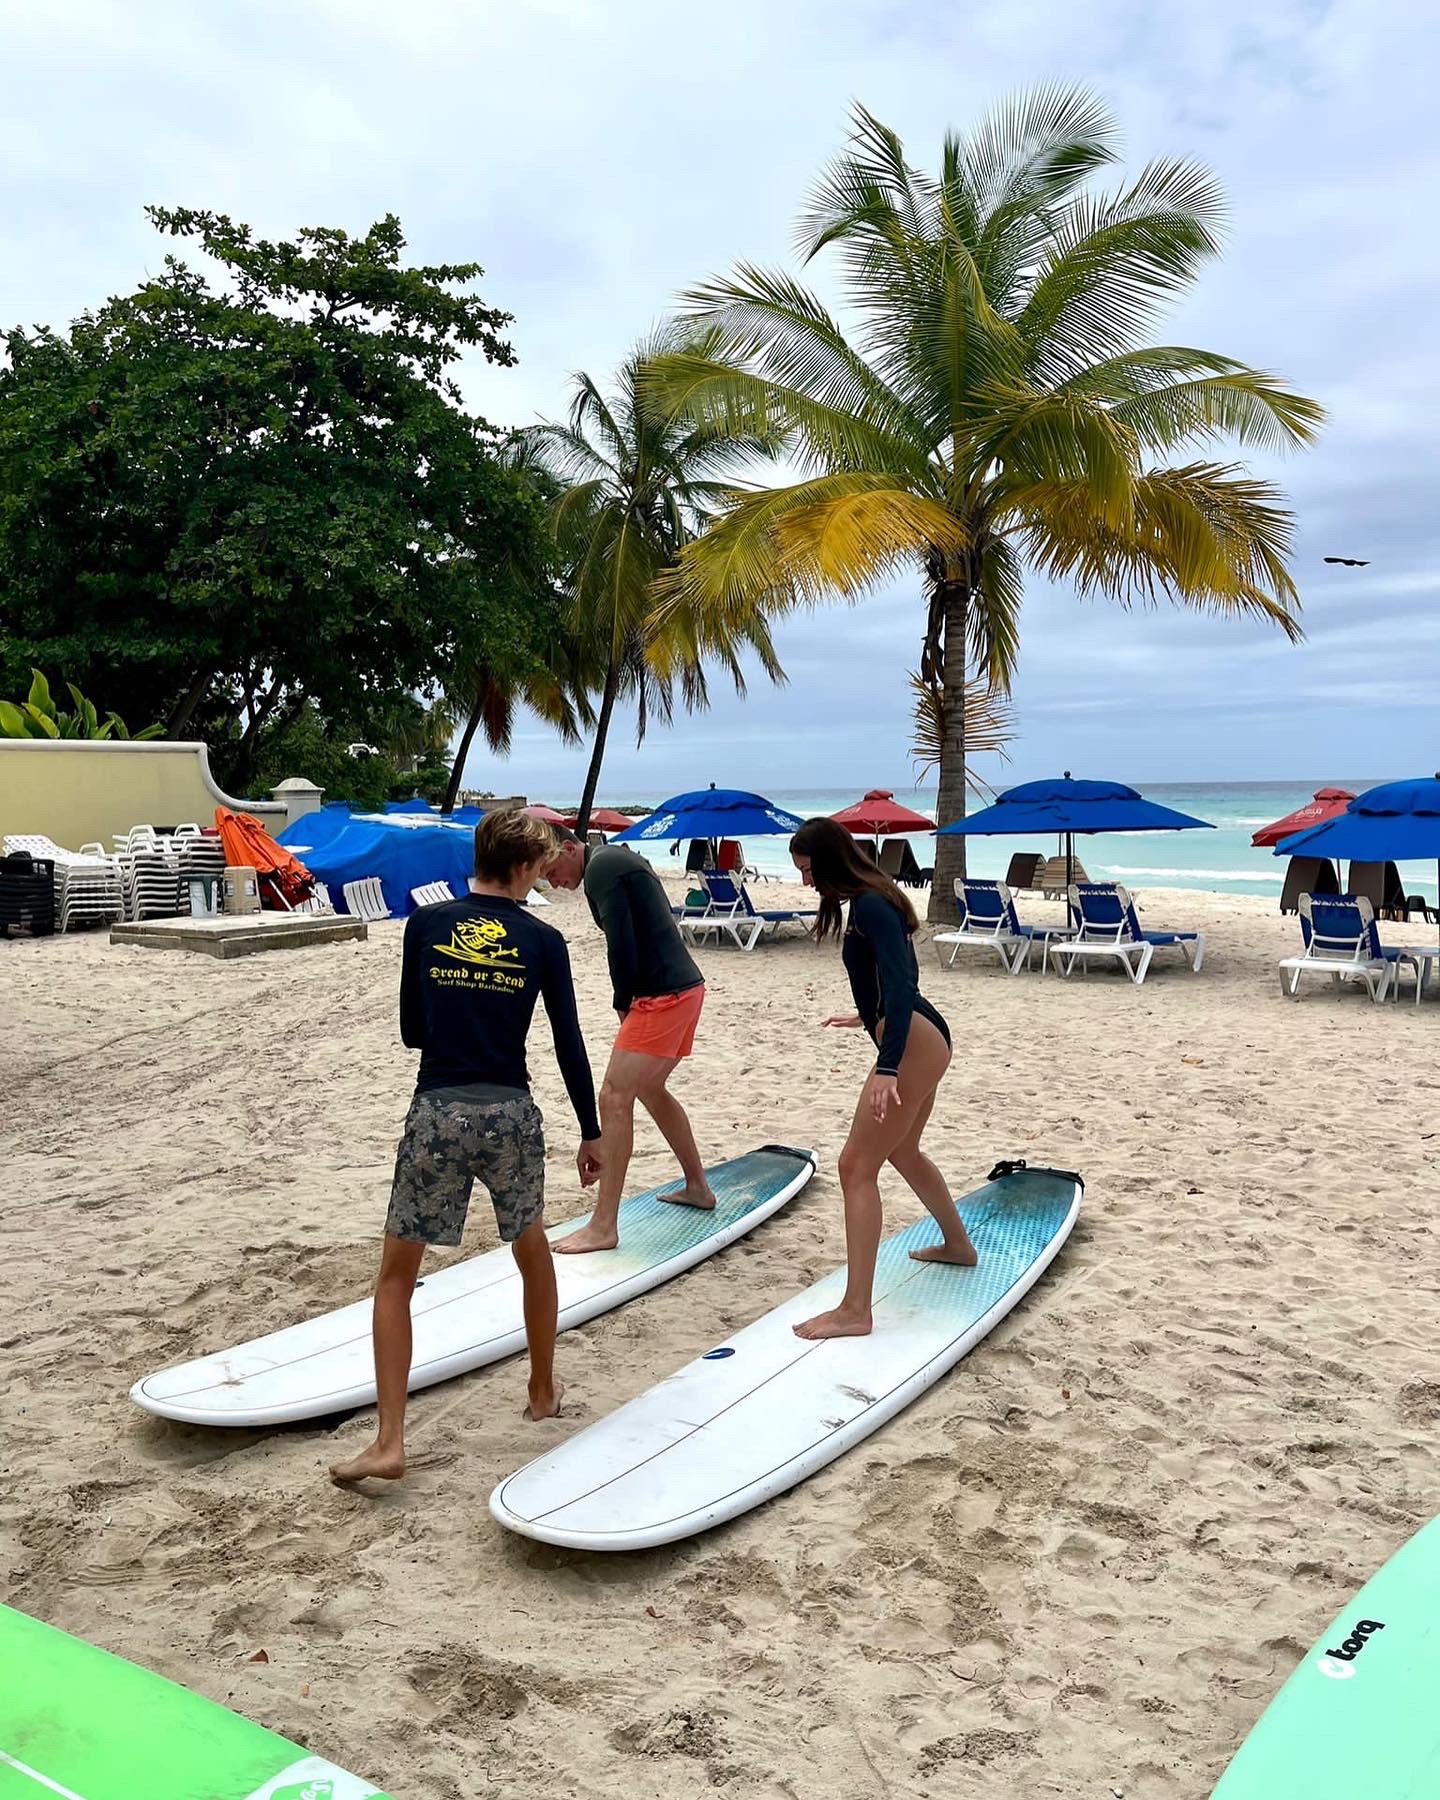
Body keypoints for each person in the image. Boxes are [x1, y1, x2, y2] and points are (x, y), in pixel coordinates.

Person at [330, 810, 602, 1485]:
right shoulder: (542, 940)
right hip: (510, 1112)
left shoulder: (425, 925)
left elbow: (410, 1031)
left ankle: (390, 1441)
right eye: (540, 866)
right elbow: (568, 1042)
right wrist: (591, 1130)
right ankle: (542, 1392)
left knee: (396, 1278)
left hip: (438, 1111)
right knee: (531, 1249)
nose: (543, 876)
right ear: (520, 867)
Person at [787, 816, 976, 1340]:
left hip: (911, 1043)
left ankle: (855, 1310)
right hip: (917, 1034)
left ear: (828, 861)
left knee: (855, 1166)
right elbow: (890, 980)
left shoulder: (871, 902)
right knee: (903, 1150)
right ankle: (958, 1246)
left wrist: (887, 1065)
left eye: (808, 871)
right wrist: (865, 1014)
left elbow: (901, 979)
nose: (807, 882)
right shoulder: (870, 897)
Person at [545, 830, 713, 1252]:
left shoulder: (602, 867)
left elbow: (621, 942)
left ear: (568, 848)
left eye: (551, 870)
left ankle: (604, 1226)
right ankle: (698, 1187)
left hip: (663, 995)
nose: (552, 882)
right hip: (685, 988)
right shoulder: (612, 860)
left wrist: (624, 1001)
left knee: (614, 1097)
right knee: (649, 1089)